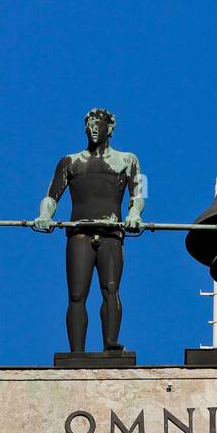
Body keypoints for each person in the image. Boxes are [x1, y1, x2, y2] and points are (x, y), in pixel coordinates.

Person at [34, 109, 144, 352]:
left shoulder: (127, 160)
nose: (94, 129)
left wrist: (134, 215)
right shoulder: (70, 162)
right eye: (90, 125)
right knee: (76, 294)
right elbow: (51, 196)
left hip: (111, 233)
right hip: (79, 233)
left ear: (110, 128)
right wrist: (44, 215)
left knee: (111, 289)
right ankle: (76, 353)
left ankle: (110, 345)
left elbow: (138, 194)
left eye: (99, 125)